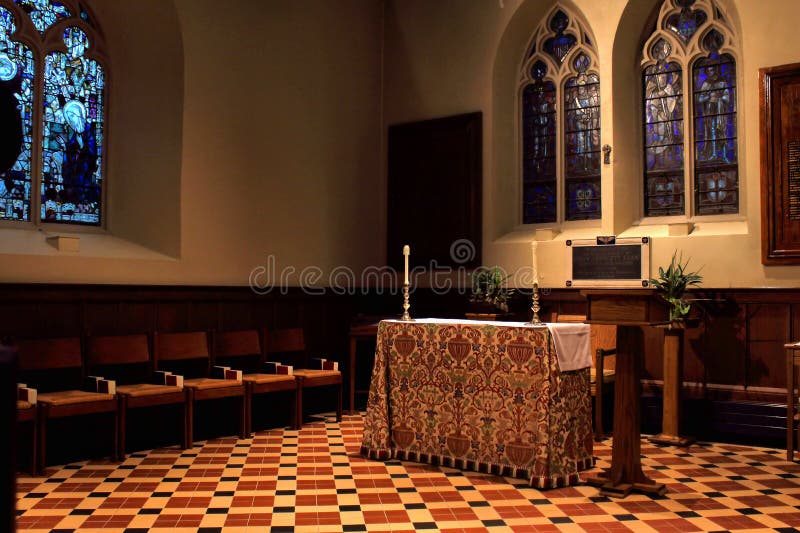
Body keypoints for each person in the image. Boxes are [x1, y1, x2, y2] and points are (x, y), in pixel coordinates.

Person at [696, 63, 730, 162]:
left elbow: (727, 96)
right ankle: (714, 154)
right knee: (713, 131)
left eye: (712, 70)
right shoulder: (705, 84)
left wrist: (720, 96)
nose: (711, 72)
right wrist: (709, 96)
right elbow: (700, 99)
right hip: (710, 109)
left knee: (722, 131)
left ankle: (724, 155)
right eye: (709, 71)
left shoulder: (722, 82)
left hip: (720, 108)